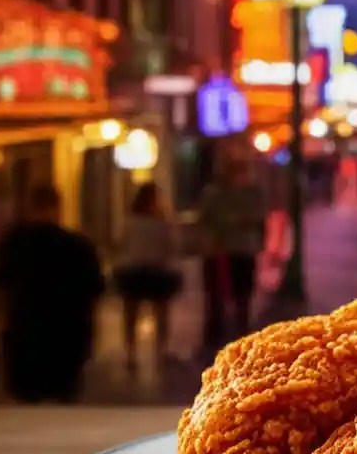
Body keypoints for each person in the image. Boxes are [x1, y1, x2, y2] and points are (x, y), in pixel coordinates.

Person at [0, 184, 104, 403]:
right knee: (64, 398)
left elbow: (0, 286)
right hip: (67, 330)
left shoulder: (14, 244)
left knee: (27, 398)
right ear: (58, 208)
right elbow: (94, 291)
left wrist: (2, 324)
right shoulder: (77, 246)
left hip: (26, 329)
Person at [198, 157, 267, 348]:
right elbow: (206, 220)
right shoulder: (214, 193)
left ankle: (239, 335)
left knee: (242, 297)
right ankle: (215, 335)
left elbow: (258, 219)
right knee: (216, 298)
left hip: (241, 252)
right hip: (218, 252)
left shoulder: (252, 194)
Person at [113, 182, 182, 372]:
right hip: (154, 270)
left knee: (131, 314)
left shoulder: (129, 221)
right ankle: (158, 352)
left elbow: (119, 243)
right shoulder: (162, 222)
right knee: (159, 313)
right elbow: (172, 246)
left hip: (134, 270)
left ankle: (131, 353)